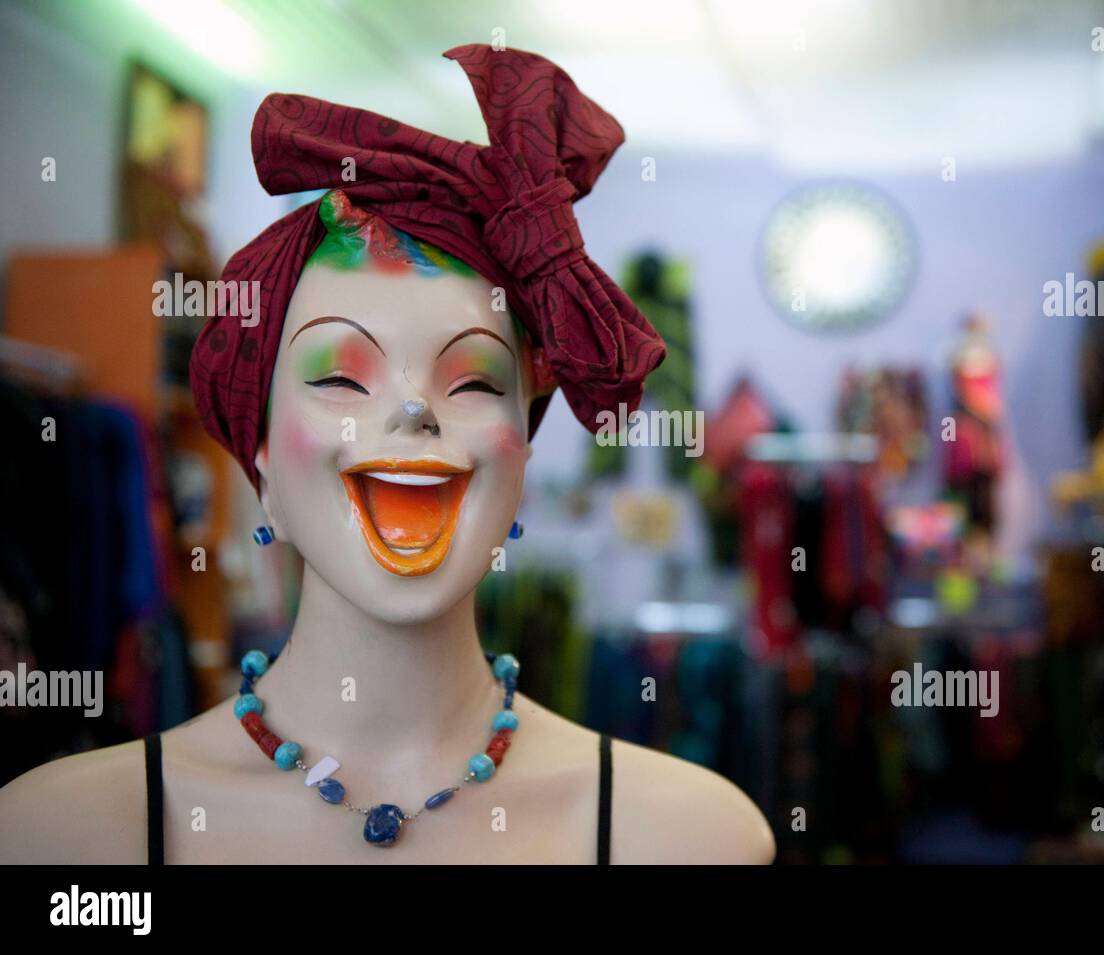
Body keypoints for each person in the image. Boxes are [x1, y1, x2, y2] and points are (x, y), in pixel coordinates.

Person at [0, 44, 774, 864]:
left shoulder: (685, 837)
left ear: (523, 448)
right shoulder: (67, 837)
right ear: (258, 457)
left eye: (474, 382)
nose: (413, 412)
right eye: (339, 375)